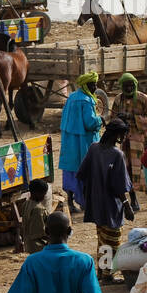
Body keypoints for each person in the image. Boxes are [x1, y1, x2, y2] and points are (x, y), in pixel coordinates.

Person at [77, 119, 132, 284]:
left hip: (95, 201)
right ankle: (107, 275)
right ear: (117, 134)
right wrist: (127, 205)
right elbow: (120, 186)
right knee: (113, 239)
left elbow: (82, 173)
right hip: (111, 204)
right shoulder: (117, 154)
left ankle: (102, 272)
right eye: (123, 134)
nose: (124, 137)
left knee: (102, 237)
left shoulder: (94, 148)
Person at [59, 73, 104, 212]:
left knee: (70, 170)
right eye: (92, 85)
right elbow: (90, 123)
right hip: (84, 142)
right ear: (86, 85)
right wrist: (101, 119)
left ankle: (71, 203)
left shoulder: (72, 96)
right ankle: (85, 203)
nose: (95, 87)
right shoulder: (87, 100)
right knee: (85, 171)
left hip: (69, 140)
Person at [111, 73, 147, 207]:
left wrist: (132, 116)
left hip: (143, 141)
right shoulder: (118, 100)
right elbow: (113, 120)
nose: (129, 88)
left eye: (131, 86)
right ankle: (133, 200)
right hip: (127, 142)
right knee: (127, 170)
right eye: (126, 86)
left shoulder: (143, 98)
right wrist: (120, 120)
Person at [18, 179, 61, 255]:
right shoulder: (39, 210)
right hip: (38, 247)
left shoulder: (26, 204)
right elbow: (39, 233)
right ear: (36, 193)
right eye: (43, 194)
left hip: (28, 243)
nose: (44, 196)